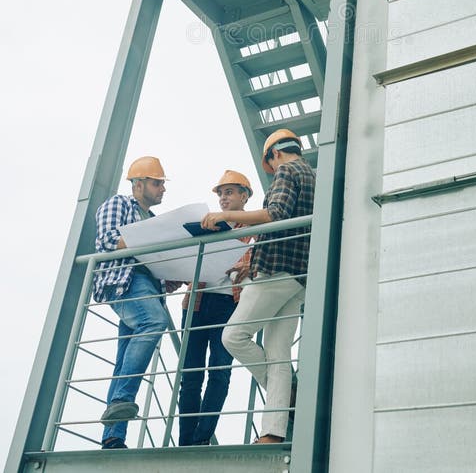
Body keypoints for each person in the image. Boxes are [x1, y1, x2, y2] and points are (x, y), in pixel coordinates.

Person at [201, 128, 314, 444]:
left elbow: (275, 214)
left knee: (233, 336)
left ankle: (289, 396)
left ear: (274, 154)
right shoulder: (315, 176)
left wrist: (225, 214)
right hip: (300, 277)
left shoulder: (287, 171)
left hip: (276, 270)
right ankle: (273, 432)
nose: (272, 168)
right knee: (278, 355)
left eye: (271, 163)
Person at [93, 156, 171, 450]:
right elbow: (108, 240)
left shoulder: (152, 219)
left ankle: (113, 437)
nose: (163, 188)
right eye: (157, 183)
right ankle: (122, 399)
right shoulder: (119, 204)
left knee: (124, 359)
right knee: (154, 321)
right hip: (125, 281)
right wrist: (151, 241)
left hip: (149, 284)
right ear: (138, 184)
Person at [178, 170, 253, 446]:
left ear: (244, 196)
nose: (223, 198)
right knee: (190, 374)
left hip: (228, 304)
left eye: (229, 192)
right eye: (221, 193)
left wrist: (246, 264)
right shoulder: (207, 226)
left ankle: (201, 438)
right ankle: (185, 441)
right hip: (196, 303)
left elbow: (258, 261)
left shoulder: (255, 228)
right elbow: (188, 263)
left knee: (219, 372)